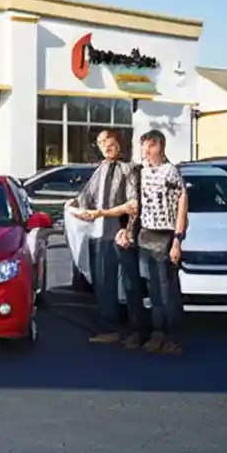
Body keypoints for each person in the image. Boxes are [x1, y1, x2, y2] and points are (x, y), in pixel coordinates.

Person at [66, 129, 144, 345]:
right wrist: (75, 205)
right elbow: (87, 196)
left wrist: (126, 229)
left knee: (130, 284)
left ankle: (137, 331)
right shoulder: (100, 169)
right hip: (99, 234)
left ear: (119, 144)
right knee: (103, 284)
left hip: (121, 234)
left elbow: (133, 205)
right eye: (101, 143)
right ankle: (109, 328)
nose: (106, 147)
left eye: (109, 142)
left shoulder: (130, 169)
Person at [134, 129, 189, 355]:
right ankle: (157, 334)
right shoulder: (142, 172)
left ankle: (174, 337)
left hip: (165, 235)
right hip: (146, 234)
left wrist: (177, 239)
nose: (147, 150)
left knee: (168, 291)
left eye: (151, 145)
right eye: (144, 146)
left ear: (161, 147)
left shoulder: (171, 172)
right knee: (152, 289)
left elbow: (182, 203)